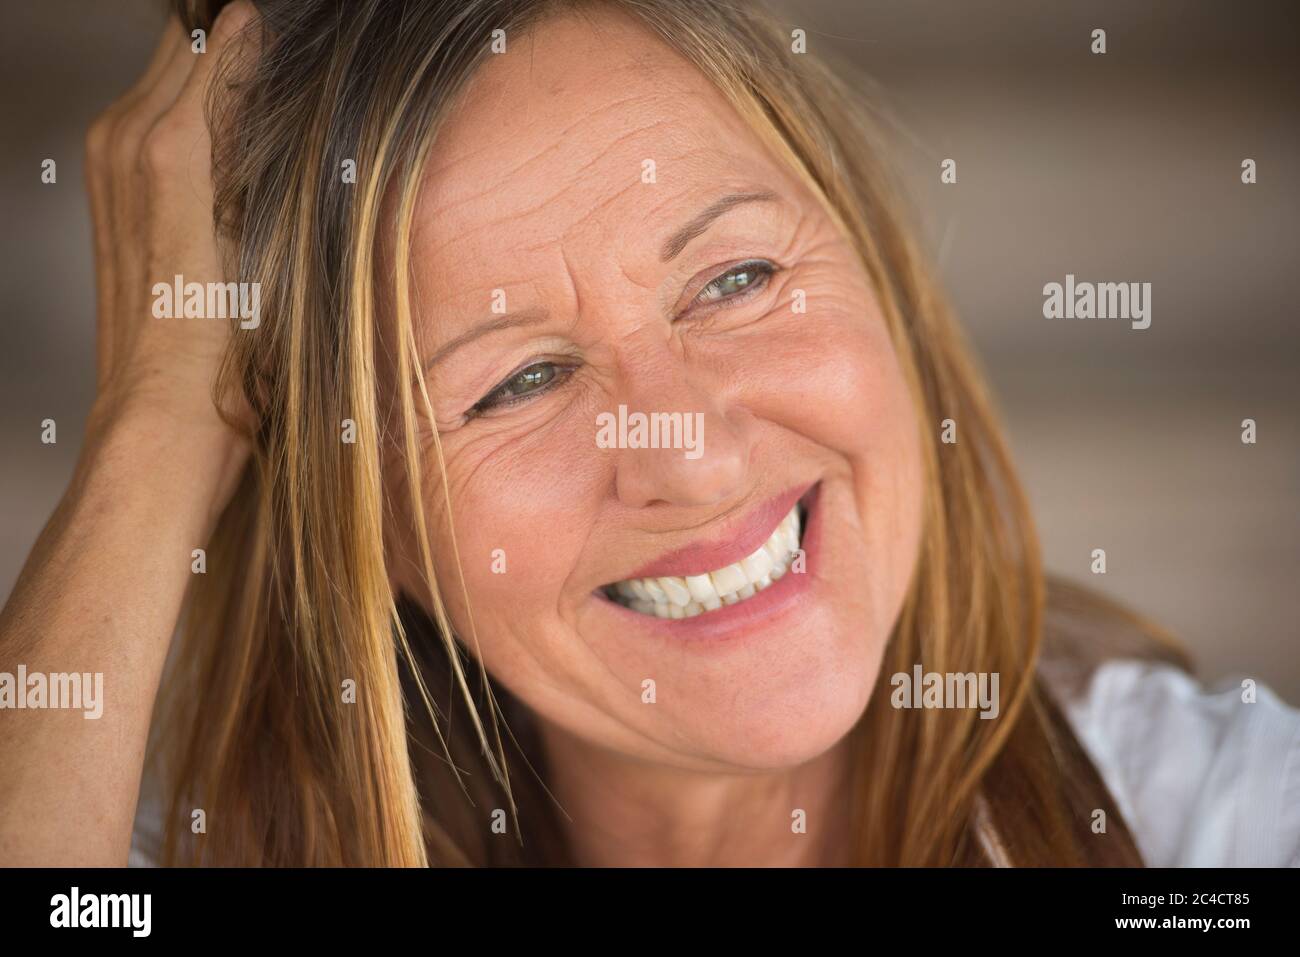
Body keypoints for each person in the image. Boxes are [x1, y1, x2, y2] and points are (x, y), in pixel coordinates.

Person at [1, 0, 1296, 867]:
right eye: (519, 381)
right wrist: (162, 415)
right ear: (371, 522)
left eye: (735, 281)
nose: (693, 454)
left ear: (882, 278)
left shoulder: (1212, 823)